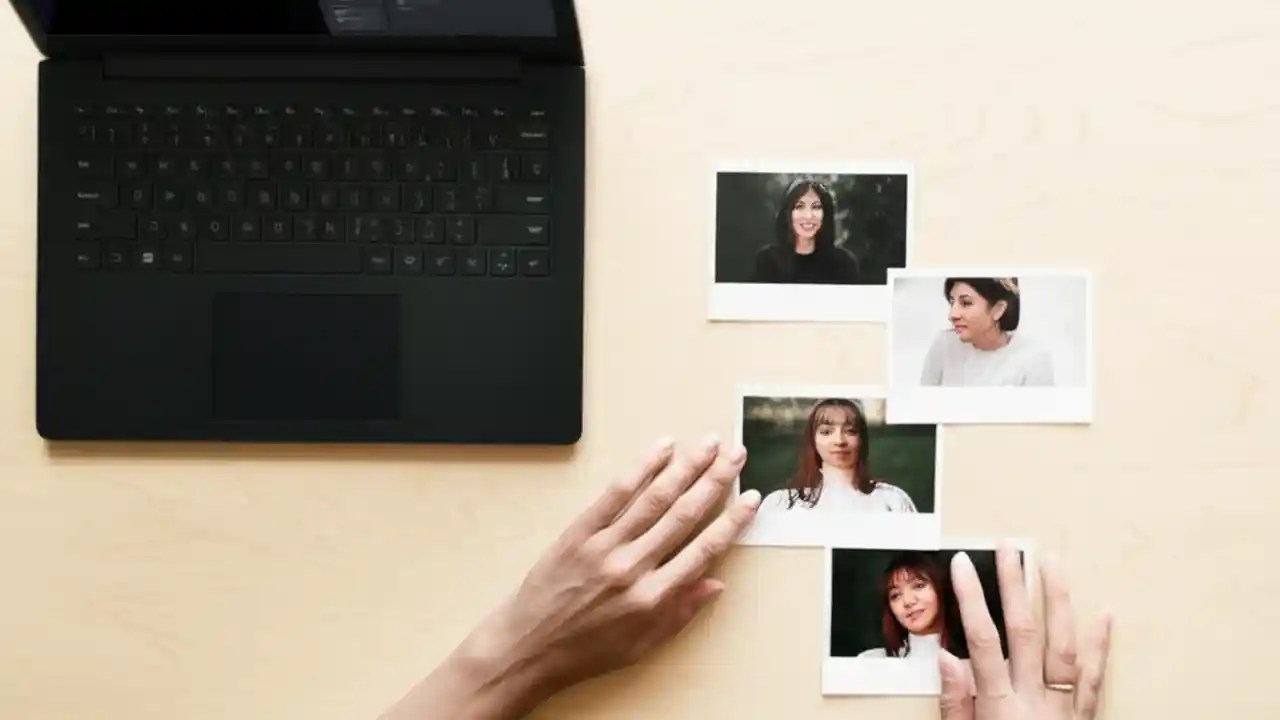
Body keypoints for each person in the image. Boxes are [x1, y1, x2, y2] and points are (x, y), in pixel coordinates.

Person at [377, 436, 1114, 720]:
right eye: (896, 590)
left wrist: (515, 654)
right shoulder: (866, 656)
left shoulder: (891, 499)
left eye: (913, 584)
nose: (908, 598)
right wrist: (517, 656)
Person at [760, 398, 918, 513]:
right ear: (813, 440)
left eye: (850, 431)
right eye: (826, 432)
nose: (839, 441)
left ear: (862, 439)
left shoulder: (893, 500)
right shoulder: (781, 503)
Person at [919, 277, 1056, 387]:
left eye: (966, 303)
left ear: (998, 309)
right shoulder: (944, 344)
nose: (952, 315)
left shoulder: (1033, 359)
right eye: (952, 302)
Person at [748, 179, 861, 284]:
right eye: (800, 206)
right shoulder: (767, 261)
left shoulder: (844, 263)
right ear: (788, 213)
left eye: (816, 207)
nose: (808, 216)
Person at [856, 550, 962, 661]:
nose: (908, 601)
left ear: (942, 588)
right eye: (896, 595)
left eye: (919, 586)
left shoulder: (973, 660)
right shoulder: (871, 662)